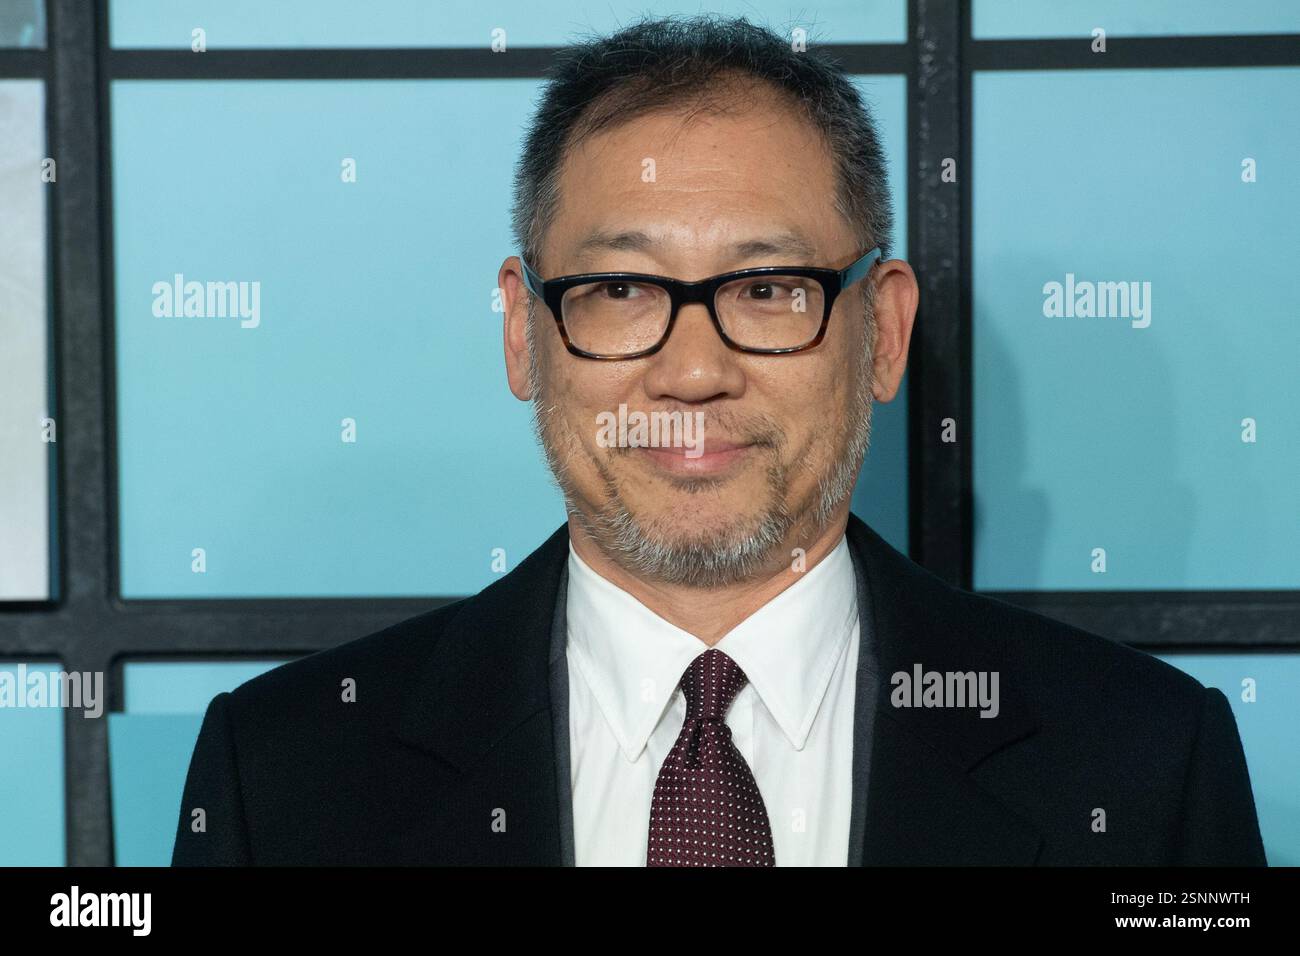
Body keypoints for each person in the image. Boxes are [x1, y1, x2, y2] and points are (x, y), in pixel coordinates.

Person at [172, 15, 1265, 866]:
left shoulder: (1142, 760)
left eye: (768, 287)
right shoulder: (289, 775)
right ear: (522, 332)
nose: (692, 371)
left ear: (879, 332)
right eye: (616, 288)